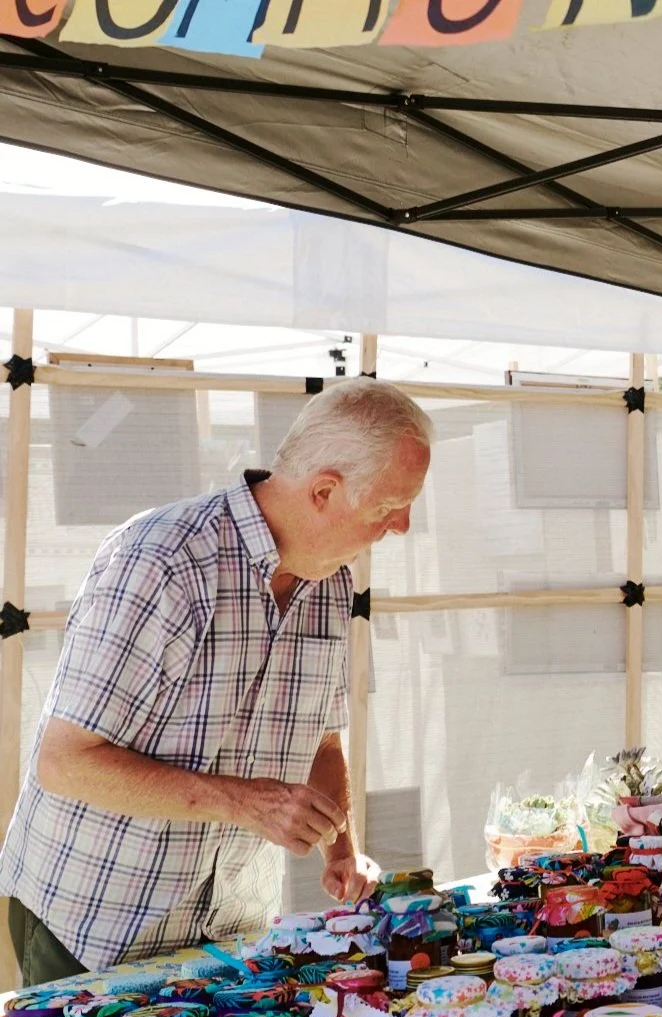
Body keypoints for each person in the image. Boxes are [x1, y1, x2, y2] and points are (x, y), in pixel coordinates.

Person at [0, 381, 433, 984]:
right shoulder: (161, 560)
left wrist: (341, 848)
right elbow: (66, 764)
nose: (404, 525)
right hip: (96, 920)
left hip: (229, 927)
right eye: (390, 506)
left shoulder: (333, 582)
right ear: (324, 491)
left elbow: (322, 737)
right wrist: (246, 801)